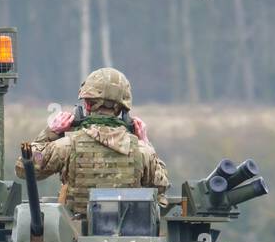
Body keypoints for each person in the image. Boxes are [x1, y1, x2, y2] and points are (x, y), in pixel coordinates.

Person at [16, 67, 168, 218]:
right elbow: (161, 186)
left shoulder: (67, 146)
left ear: (88, 105)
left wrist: (52, 132)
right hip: (127, 235)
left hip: (76, 236)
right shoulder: (142, 151)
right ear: (122, 110)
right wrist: (145, 141)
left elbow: (24, 166)